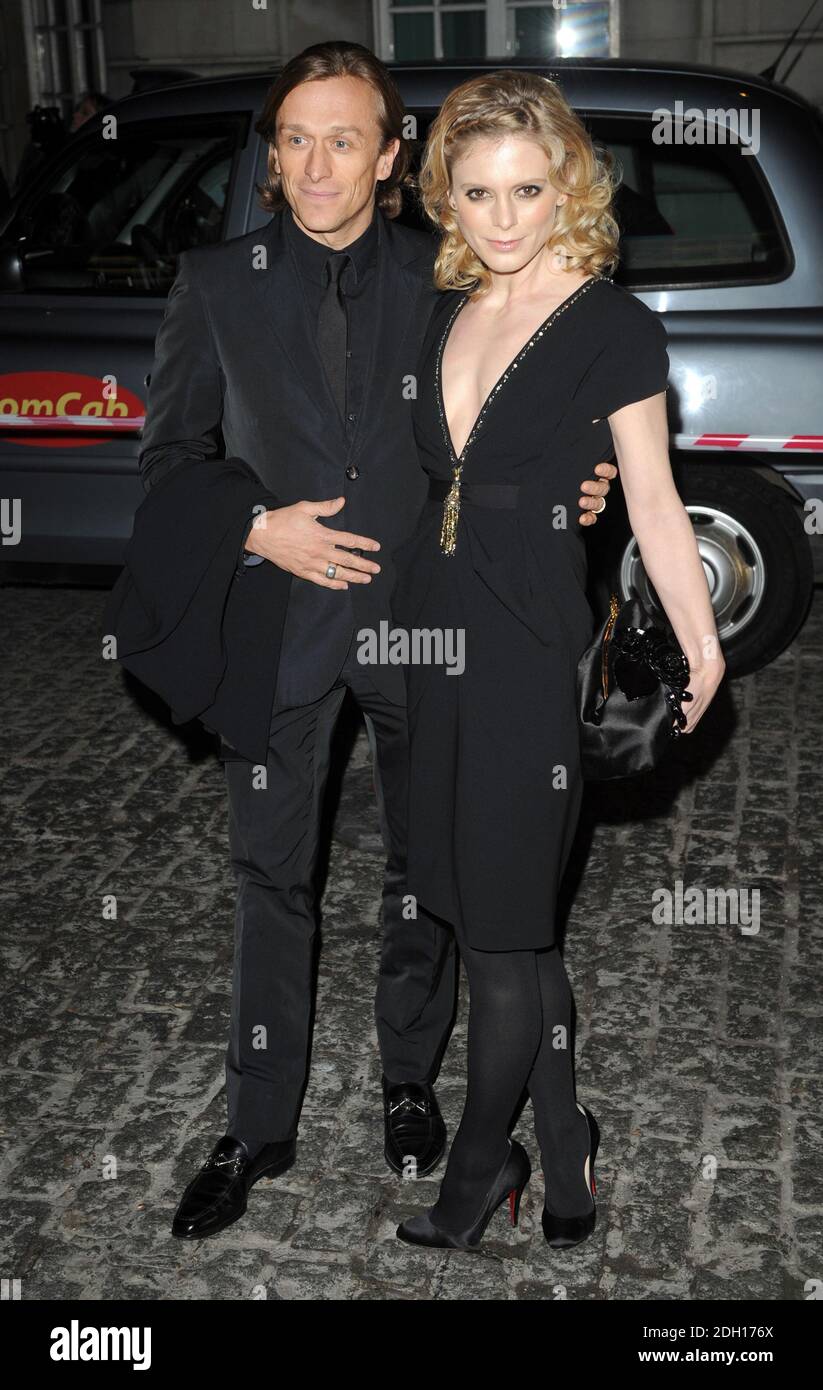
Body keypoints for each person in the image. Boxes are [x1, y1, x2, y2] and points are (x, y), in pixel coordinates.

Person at [135, 42, 617, 1241]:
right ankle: (256, 1122)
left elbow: (521, 422)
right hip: (279, 629)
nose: (314, 163)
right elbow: (165, 464)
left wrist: (578, 487)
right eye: (294, 136)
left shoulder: (449, 272)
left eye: (344, 137)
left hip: (429, 628)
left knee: (426, 876)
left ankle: (410, 1083)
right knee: (268, 877)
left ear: (394, 156)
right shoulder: (213, 280)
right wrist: (255, 528)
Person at [393, 69, 725, 1251]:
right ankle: (568, 1143)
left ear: (567, 187)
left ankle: (482, 1169)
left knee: (498, 939)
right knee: (515, 925)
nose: (500, 216)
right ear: (446, 194)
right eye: (475, 190)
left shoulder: (609, 324)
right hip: (437, 651)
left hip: (533, 658)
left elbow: (652, 496)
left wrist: (696, 635)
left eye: (525, 189)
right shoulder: (447, 312)